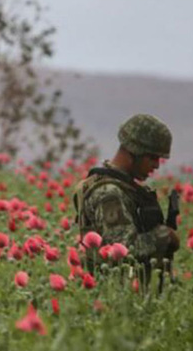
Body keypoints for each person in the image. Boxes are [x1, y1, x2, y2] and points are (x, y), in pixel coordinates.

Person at [73, 113, 179, 283]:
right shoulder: (109, 193)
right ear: (133, 152)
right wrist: (165, 235)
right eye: (152, 157)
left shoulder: (126, 189)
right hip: (114, 295)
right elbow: (123, 250)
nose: (157, 165)